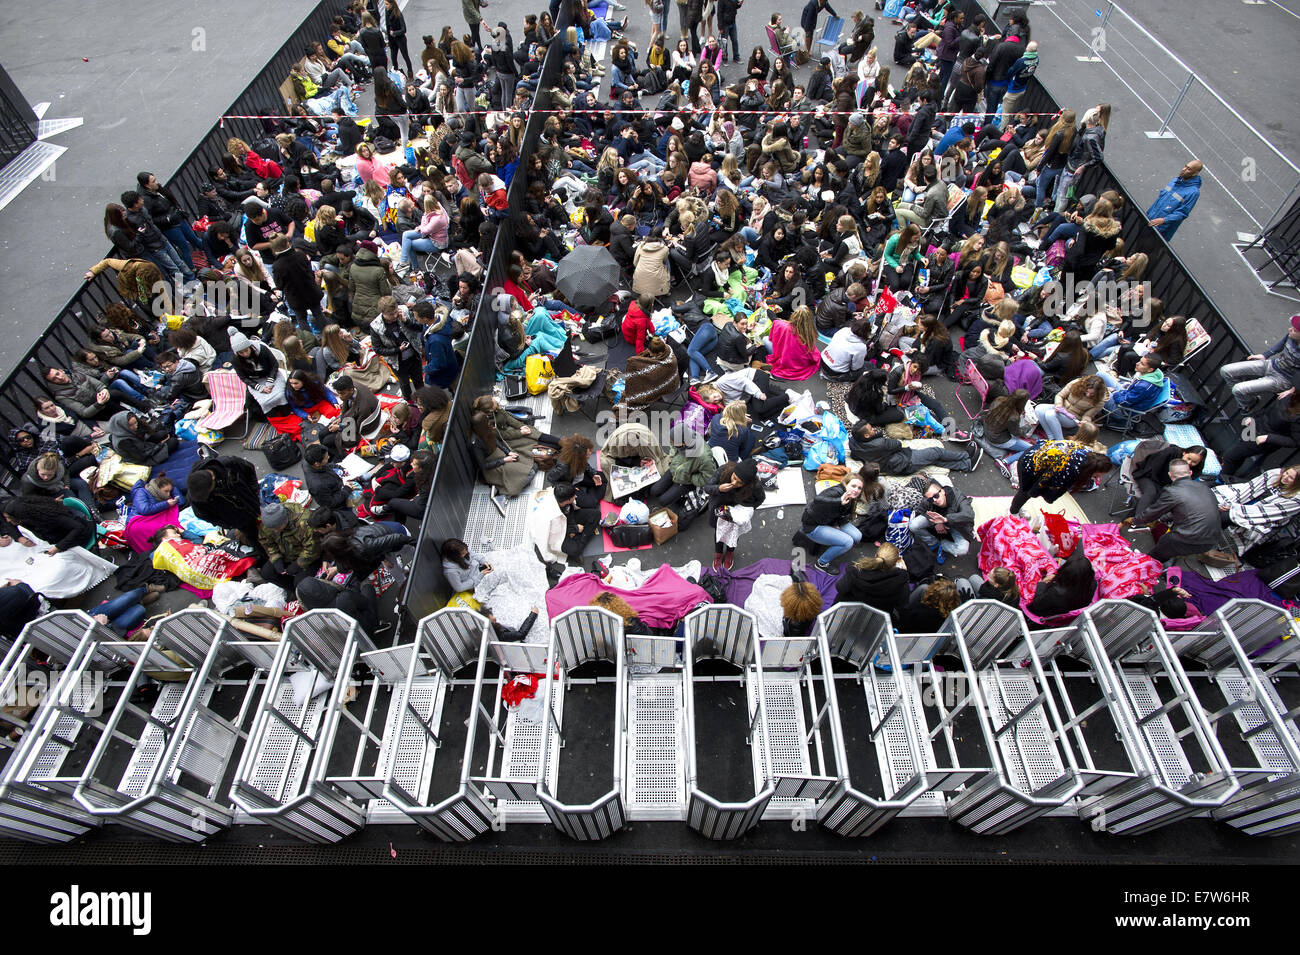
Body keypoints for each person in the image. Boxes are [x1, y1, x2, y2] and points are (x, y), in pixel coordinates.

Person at [1133, 460, 1222, 565]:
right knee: (1171, 547)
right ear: (1190, 473)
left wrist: (1135, 521)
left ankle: (1146, 567)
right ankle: (1166, 559)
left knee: (1158, 552)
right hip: (1211, 541)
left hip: (1187, 538)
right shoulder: (1205, 488)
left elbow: (1152, 513)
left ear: (1170, 475)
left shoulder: (1173, 491)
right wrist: (1161, 519)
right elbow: (1185, 511)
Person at [1009, 440, 1113, 517]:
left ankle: (1017, 508)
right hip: (1030, 463)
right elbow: (1052, 488)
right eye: (1097, 475)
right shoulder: (1072, 470)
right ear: (1091, 469)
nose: (1099, 478)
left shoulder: (1089, 453)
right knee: (1025, 491)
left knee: (1027, 491)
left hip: (1038, 455)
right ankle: (1013, 513)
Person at [1219, 314, 1300, 413]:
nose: (1290, 329)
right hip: (1272, 364)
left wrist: (1292, 390)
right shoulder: (1291, 336)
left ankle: (1248, 405)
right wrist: (1265, 355)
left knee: (1238, 389)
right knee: (1225, 371)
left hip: (1283, 379)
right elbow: (1282, 343)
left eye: (1295, 330)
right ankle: (1247, 399)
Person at [1213, 467, 1300, 555]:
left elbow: (1267, 512)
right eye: (1287, 473)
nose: (1285, 477)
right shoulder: (1275, 475)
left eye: (1291, 478)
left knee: (1224, 517)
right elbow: (1249, 488)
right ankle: (1207, 533)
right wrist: (1230, 503)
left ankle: (1207, 537)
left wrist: (1235, 508)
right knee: (1213, 496)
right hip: (1246, 501)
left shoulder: (1294, 499)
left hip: (1259, 515)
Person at [848, 420, 975, 475]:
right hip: (903, 462)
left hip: (891, 465)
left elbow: (855, 455)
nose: (874, 430)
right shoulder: (880, 443)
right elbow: (897, 444)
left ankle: (966, 465)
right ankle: (965, 455)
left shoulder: (853, 444)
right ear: (866, 435)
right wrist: (880, 438)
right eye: (871, 429)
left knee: (932, 460)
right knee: (935, 452)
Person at [706, 459, 765, 570]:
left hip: (736, 512)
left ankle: (730, 552)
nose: (734, 483)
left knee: (734, 532)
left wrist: (747, 511)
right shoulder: (724, 470)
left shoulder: (754, 485)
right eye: (734, 478)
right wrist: (719, 488)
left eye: (739, 483)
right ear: (733, 472)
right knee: (718, 531)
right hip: (719, 507)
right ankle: (718, 554)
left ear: (746, 483)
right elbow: (707, 487)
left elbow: (761, 499)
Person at [801, 474, 865, 572]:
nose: (856, 490)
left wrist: (836, 524)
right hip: (813, 526)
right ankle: (821, 563)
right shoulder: (837, 492)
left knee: (857, 536)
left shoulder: (851, 497)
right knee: (848, 542)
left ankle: (835, 542)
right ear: (846, 484)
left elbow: (841, 514)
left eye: (859, 488)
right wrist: (839, 501)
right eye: (853, 486)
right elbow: (818, 499)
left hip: (830, 521)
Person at [258, 501, 322, 592]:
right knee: (267, 573)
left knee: (300, 582)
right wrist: (276, 558)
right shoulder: (268, 524)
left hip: (309, 558)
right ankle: (292, 590)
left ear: (285, 521)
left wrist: (297, 564)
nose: (275, 531)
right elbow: (267, 542)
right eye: (272, 529)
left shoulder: (304, 523)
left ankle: (300, 591)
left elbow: (313, 548)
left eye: (277, 528)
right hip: (286, 555)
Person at [909, 480, 975, 563]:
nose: (935, 500)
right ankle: (933, 542)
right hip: (937, 520)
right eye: (931, 499)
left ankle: (943, 546)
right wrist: (936, 523)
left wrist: (946, 520)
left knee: (962, 549)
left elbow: (969, 515)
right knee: (913, 525)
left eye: (936, 496)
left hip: (957, 526)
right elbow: (921, 510)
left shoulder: (958, 497)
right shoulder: (929, 499)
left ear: (942, 491)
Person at [835, 543, 909, 616]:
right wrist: (904, 572)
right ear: (895, 563)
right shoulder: (900, 580)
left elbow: (840, 588)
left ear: (876, 555)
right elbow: (902, 605)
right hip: (875, 618)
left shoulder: (856, 570)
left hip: (846, 612)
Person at [1027, 547, 1095, 619]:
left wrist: (1042, 583)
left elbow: (1037, 604)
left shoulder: (1056, 592)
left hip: (1046, 613)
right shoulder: (1091, 584)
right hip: (1065, 609)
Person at [1146, 160, 1203, 240]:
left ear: (1195, 173)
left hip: (1161, 231)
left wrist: (1163, 220)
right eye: (1185, 166)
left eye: (1189, 169)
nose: (1184, 169)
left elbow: (1182, 213)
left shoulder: (1193, 193)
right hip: (1148, 220)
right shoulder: (1174, 181)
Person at [1097, 353, 1166, 418]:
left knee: (1099, 390)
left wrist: (1114, 392)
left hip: (1123, 411)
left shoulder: (1144, 386)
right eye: (1139, 361)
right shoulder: (1155, 373)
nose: (1137, 363)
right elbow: (1130, 393)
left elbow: (1124, 402)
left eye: (1142, 364)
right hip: (1126, 394)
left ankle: (1094, 414)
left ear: (1150, 370)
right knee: (1101, 374)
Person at [553, 482, 601, 565]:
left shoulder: (565, 501)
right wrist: (574, 529)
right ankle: (580, 544)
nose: (576, 496)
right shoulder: (552, 513)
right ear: (567, 500)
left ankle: (579, 541)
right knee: (574, 550)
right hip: (558, 532)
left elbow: (570, 513)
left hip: (569, 520)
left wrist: (573, 526)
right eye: (573, 496)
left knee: (596, 514)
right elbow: (555, 531)